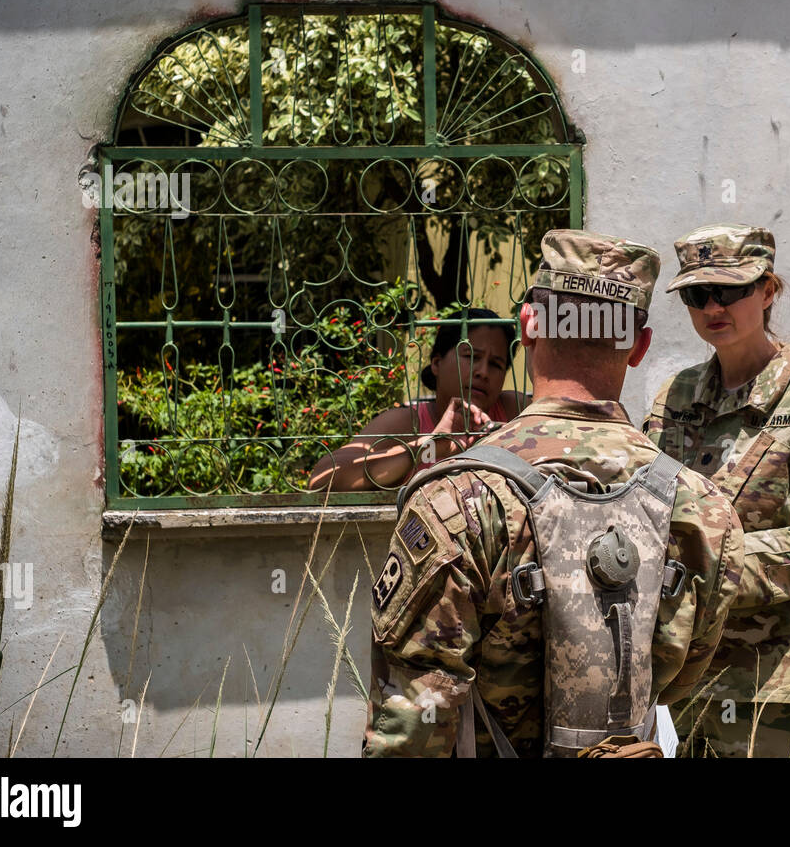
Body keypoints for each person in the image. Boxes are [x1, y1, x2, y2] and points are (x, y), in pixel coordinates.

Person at [362, 230, 743, 757]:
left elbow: (414, 717)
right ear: (639, 347)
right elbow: (679, 679)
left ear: (529, 325)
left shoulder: (458, 496)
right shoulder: (703, 507)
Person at [643, 223, 790, 758]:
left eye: (730, 291)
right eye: (698, 295)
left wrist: (713, 564)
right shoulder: (674, 400)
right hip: (685, 691)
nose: (712, 307)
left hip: (778, 699)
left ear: (768, 290)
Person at [308, 308, 529, 491]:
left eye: (496, 364)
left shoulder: (513, 411)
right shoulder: (407, 423)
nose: (483, 372)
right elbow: (321, 479)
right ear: (436, 363)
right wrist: (429, 446)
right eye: (471, 356)